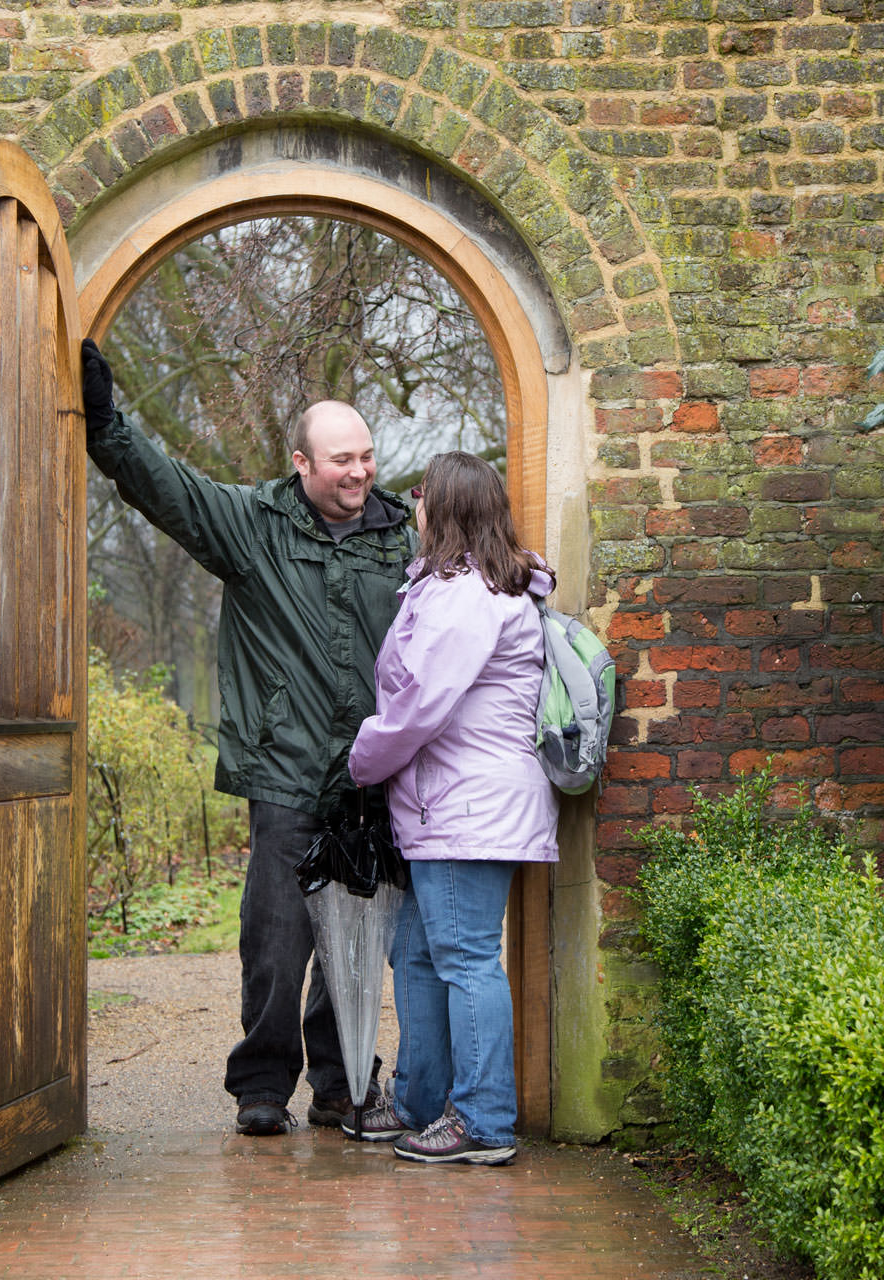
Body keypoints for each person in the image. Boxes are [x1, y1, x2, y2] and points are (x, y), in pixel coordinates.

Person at [79, 339, 415, 1136]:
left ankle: (342, 1082)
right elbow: (168, 490)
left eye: (367, 457)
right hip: (285, 769)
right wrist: (104, 425)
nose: (359, 473)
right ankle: (262, 1085)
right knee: (276, 938)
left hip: (374, 776)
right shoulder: (253, 528)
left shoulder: (404, 539)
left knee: (357, 940)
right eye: (341, 460)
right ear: (302, 463)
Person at [344, 450, 559, 1166]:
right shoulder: (470, 586)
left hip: (466, 806)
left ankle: (484, 1121)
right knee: (418, 954)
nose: (415, 507)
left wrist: (359, 761)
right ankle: (417, 1101)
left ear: (448, 509)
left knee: (465, 958)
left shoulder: (466, 594)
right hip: (451, 806)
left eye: (422, 495)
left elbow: (417, 708)